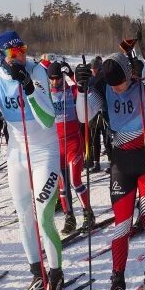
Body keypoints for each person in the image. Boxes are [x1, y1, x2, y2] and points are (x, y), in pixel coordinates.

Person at [0, 31, 64, 290]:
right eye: (14, 55)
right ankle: (38, 274)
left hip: (44, 152)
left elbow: (49, 120)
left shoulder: (37, 73)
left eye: (23, 51)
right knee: (24, 215)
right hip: (17, 153)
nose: (21, 59)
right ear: (1, 57)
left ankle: (56, 275)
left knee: (43, 214)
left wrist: (30, 89)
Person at [75, 52, 145, 290]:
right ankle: (117, 281)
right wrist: (82, 87)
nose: (118, 88)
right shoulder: (103, 85)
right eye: (113, 84)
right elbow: (83, 117)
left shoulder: (143, 83)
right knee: (121, 225)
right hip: (121, 163)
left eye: (121, 82)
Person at [47, 61, 94, 235]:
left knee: (75, 180)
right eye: (51, 79)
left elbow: (82, 90)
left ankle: (88, 213)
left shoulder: (70, 88)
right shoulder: (47, 92)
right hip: (56, 144)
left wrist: (74, 75)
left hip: (73, 141)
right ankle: (69, 217)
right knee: (62, 185)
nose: (54, 82)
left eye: (57, 78)